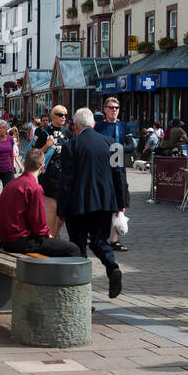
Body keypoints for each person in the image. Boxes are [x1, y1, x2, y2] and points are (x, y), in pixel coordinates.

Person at [57, 107, 126, 298]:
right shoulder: (113, 144)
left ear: (76, 126)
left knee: (78, 246)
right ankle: (112, 267)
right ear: (94, 124)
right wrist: (121, 203)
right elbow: (119, 176)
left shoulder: (71, 146)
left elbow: (66, 180)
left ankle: (82, 293)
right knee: (99, 240)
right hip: (105, 203)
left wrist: (61, 209)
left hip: (77, 205)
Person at [0, 149, 83, 257]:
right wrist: (49, 236)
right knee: (73, 249)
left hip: (5, 239)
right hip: (20, 241)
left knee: (57, 246)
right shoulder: (34, 188)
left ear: (24, 163)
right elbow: (38, 224)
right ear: (42, 167)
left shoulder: (12, 183)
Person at [95, 96, 133, 252]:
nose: (114, 110)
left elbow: (131, 146)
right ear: (105, 110)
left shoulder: (123, 126)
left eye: (116, 108)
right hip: (103, 170)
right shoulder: (99, 127)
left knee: (120, 204)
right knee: (102, 204)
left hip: (119, 169)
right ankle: (98, 236)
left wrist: (117, 149)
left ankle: (115, 239)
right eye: (111, 107)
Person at [35, 105, 70, 237]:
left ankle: (55, 233)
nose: (63, 118)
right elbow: (34, 154)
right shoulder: (44, 133)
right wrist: (46, 146)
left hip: (64, 175)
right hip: (49, 175)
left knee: (62, 210)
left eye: (65, 115)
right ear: (53, 116)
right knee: (54, 208)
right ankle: (50, 236)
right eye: (60, 115)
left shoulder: (67, 133)